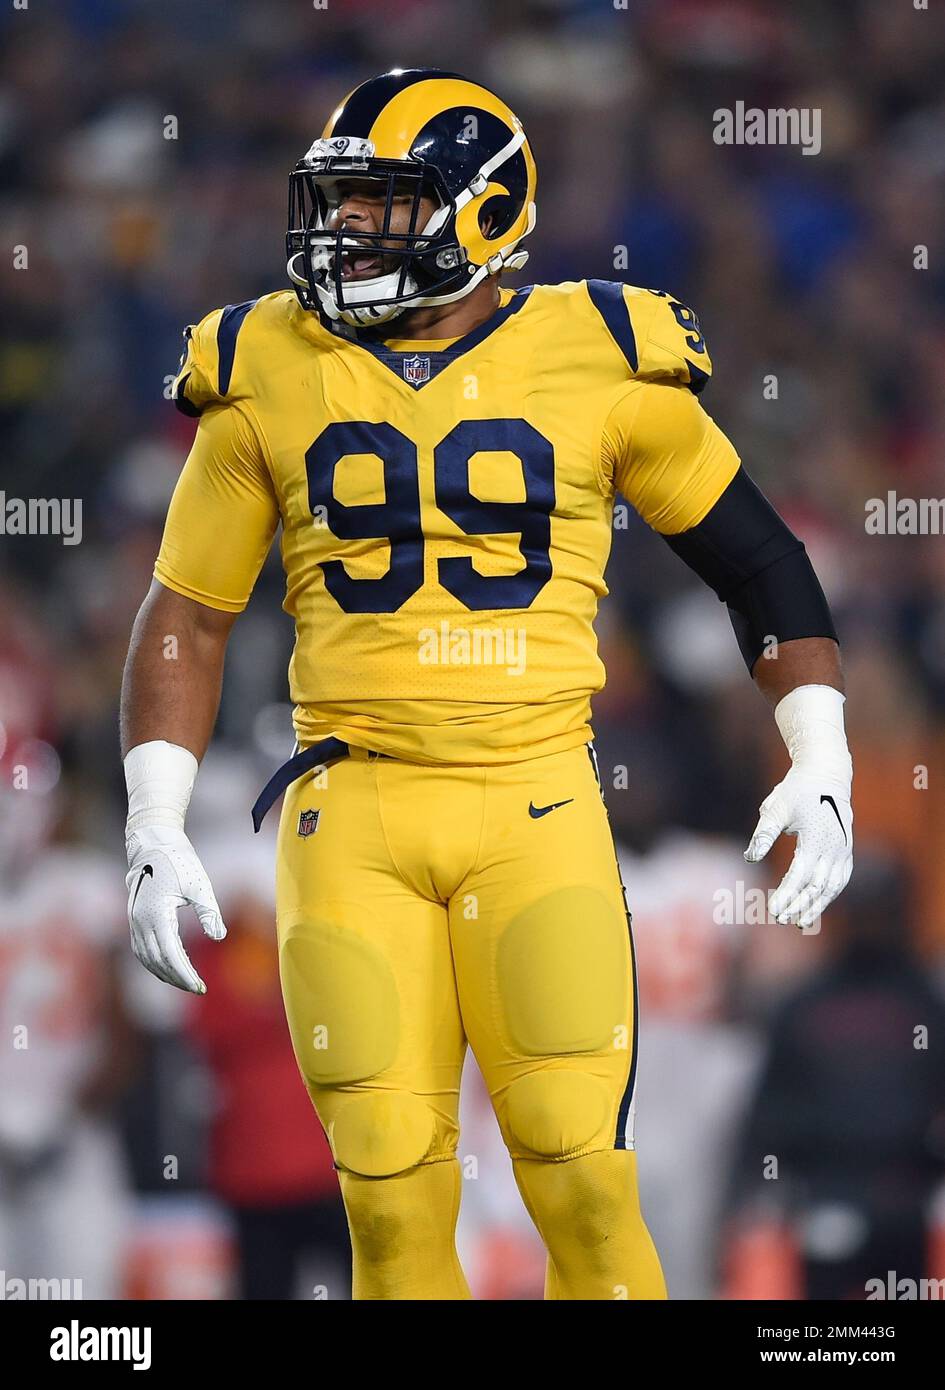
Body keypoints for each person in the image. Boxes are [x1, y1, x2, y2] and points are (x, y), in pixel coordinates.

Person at [119, 68, 854, 1300]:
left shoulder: (598, 351)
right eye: (341, 203)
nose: (345, 231)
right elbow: (187, 611)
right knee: (393, 1207)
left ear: (480, 214)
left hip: (536, 801)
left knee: (581, 1180)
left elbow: (761, 563)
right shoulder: (265, 363)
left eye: (384, 205)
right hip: (349, 812)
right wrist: (152, 815)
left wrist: (821, 754)